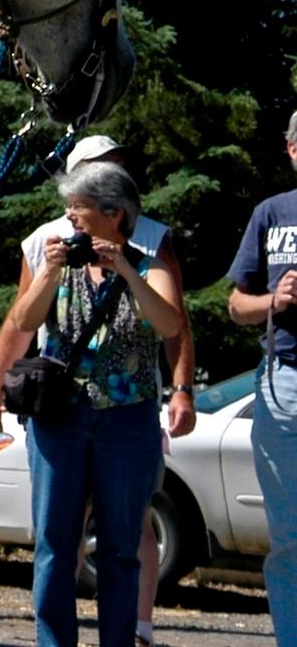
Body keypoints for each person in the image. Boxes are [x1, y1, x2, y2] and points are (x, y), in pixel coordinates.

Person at [0, 161, 184, 647]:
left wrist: (127, 272)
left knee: (120, 549)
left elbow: (171, 324)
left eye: (79, 207)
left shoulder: (150, 265)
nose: (69, 216)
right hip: (61, 419)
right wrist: (47, 272)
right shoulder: (59, 263)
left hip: (127, 423)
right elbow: (23, 322)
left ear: (114, 213)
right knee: (54, 543)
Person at [227, 111, 297, 647]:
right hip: (285, 385)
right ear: (292, 151)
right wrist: (277, 299)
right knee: (290, 536)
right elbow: (236, 305)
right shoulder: (270, 213)